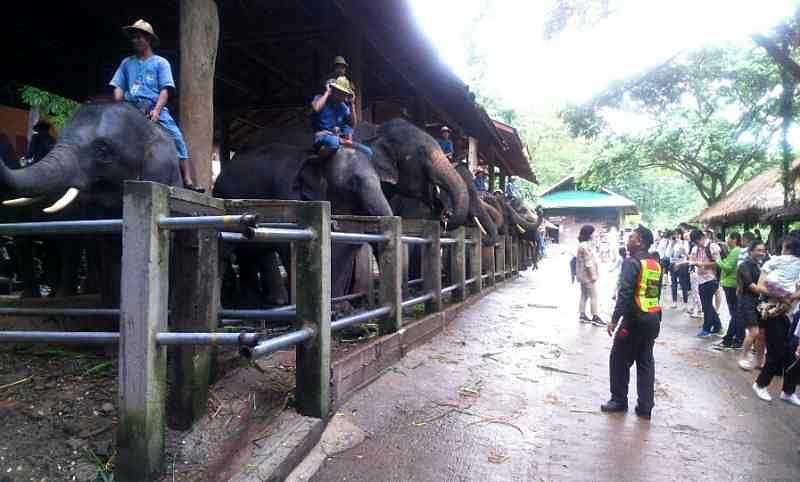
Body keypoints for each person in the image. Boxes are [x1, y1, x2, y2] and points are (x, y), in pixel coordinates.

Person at [110, 19, 200, 191]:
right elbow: (118, 87)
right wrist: (117, 105)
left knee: (177, 138)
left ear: (149, 40)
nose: (135, 41)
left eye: (139, 38)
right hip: (130, 108)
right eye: (133, 38)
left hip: (153, 107)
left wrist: (157, 111)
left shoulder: (161, 63)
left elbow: (165, 90)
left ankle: (188, 179)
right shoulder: (126, 63)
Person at [601, 225, 662, 419]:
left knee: (618, 358)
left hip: (635, 319)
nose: (628, 240)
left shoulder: (631, 262)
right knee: (645, 361)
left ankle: (618, 400)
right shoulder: (655, 263)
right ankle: (645, 406)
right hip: (653, 318)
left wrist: (614, 319)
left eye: (632, 238)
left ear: (640, 242)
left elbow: (625, 294)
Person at [752, 235, 800, 404]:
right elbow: (760, 287)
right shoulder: (774, 263)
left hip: (792, 314)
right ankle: (760, 384)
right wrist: (783, 296)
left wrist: (788, 297)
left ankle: (788, 391)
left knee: (791, 355)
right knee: (776, 351)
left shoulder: (778, 262)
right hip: (775, 312)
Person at [311, 77, 373, 159]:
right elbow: (316, 108)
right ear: (334, 91)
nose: (343, 96)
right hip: (323, 137)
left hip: (339, 139)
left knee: (368, 151)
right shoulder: (320, 98)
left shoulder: (343, 107)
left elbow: (352, 125)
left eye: (344, 94)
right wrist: (327, 92)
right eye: (340, 93)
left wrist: (352, 104)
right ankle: (318, 160)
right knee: (333, 143)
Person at [737, 240, 768, 371]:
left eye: (763, 250)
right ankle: (742, 357)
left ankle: (760, 362)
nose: (762, 253)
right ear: (751, 251)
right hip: (748, 301)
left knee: (761, 334)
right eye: (759, 250)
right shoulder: (744, 266)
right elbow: (751, 286)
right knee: (754, 332)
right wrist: (772, 292)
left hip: (760, 302)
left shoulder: (761, 266)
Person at [689, 229, 722, 337]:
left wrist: (702, 264)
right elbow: (693, 259)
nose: (696, 244)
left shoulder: (712, 247)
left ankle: (706, 329)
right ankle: (717, 326)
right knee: (707, 305)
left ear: (701, 238)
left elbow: (718, 263)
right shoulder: (697, 248)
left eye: (697, 241)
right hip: (701, 279)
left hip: (711, 279)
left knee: (706, 305)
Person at [714, 232, 742, 350]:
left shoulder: (736, 251)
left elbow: (728, 267)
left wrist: (718, 260)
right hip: (731, 284)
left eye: (728, 238)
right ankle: (738, 337)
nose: (727, 240)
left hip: (731, 284)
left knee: (735, 314)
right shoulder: (734, 251)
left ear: (734, 239)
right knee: (735, 313)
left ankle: (729, 339)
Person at [576, 225, 604, 326]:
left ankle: (582, 315)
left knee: (584, 295)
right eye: (594, 232)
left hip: (582, 276)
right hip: (587, 276)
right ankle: (595, 316)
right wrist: (593, 276)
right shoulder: (585, 246)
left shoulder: (582, 245)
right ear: (589, 233)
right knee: (594, 296)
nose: (595, 234)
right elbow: (588, 263)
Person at [669, 229, 690, 309]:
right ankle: (674, 302)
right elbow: (668, 255)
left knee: (683, 284)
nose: (676, 236)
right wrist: (671, 245)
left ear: (681, 235)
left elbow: (686, 254)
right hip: (672, 264)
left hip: (682, 265)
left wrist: (682, 248)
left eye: (678, 234)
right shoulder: (671, 243)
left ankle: (685, 303)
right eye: (675, 235)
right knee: (673, 284)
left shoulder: (685, 243)